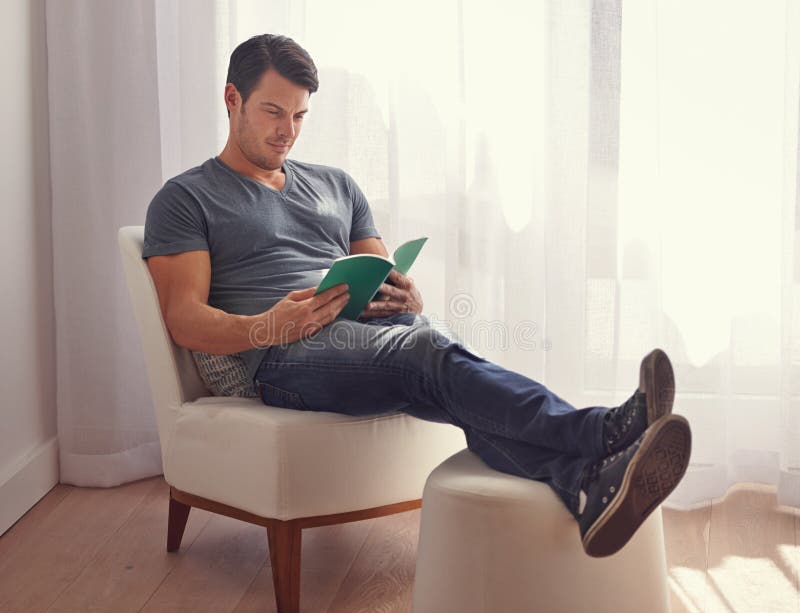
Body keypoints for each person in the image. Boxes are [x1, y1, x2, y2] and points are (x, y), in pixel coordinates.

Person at [143, 34, 691, 558]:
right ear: (232, 99)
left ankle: (584, 487)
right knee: (428, 353)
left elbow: (382, 273)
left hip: (367, 335)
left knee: (438, 355)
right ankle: (603, 431)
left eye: (300, 115)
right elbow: (183, 318)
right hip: (282, 356)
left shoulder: (336, 185)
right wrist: (270, 325)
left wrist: (406, 297)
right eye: (272, 112)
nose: (288, 131)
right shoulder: (187, 198)